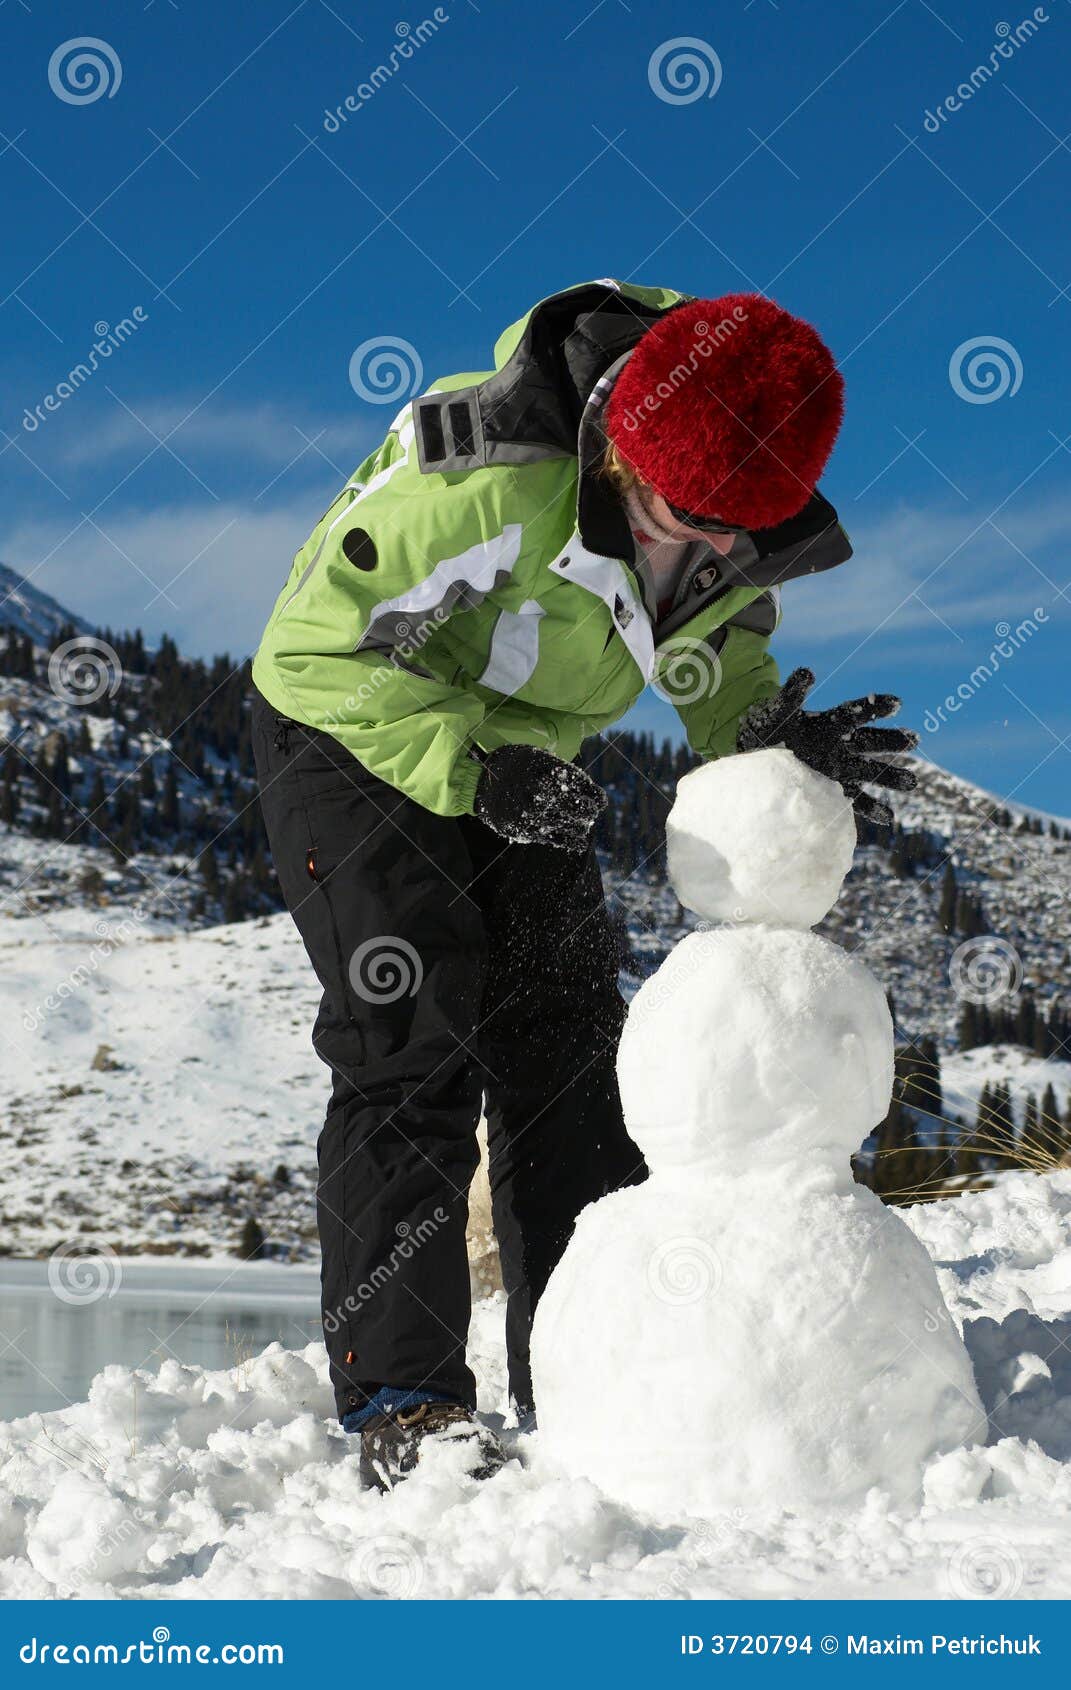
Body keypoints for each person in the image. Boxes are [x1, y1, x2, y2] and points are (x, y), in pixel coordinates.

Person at [250, 280, 916, 1489]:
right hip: (351, 732)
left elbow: (701, 638)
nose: (710, 547)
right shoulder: (485, 478)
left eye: (736, 531)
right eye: (687, 516)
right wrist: (469, 764)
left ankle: (586, 1360)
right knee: (413, 1044)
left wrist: (759, 728)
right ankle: (406, 1404)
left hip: (520, 753)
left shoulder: (715, 495)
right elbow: (307, 654)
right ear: (617, 451)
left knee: (566, 1038)